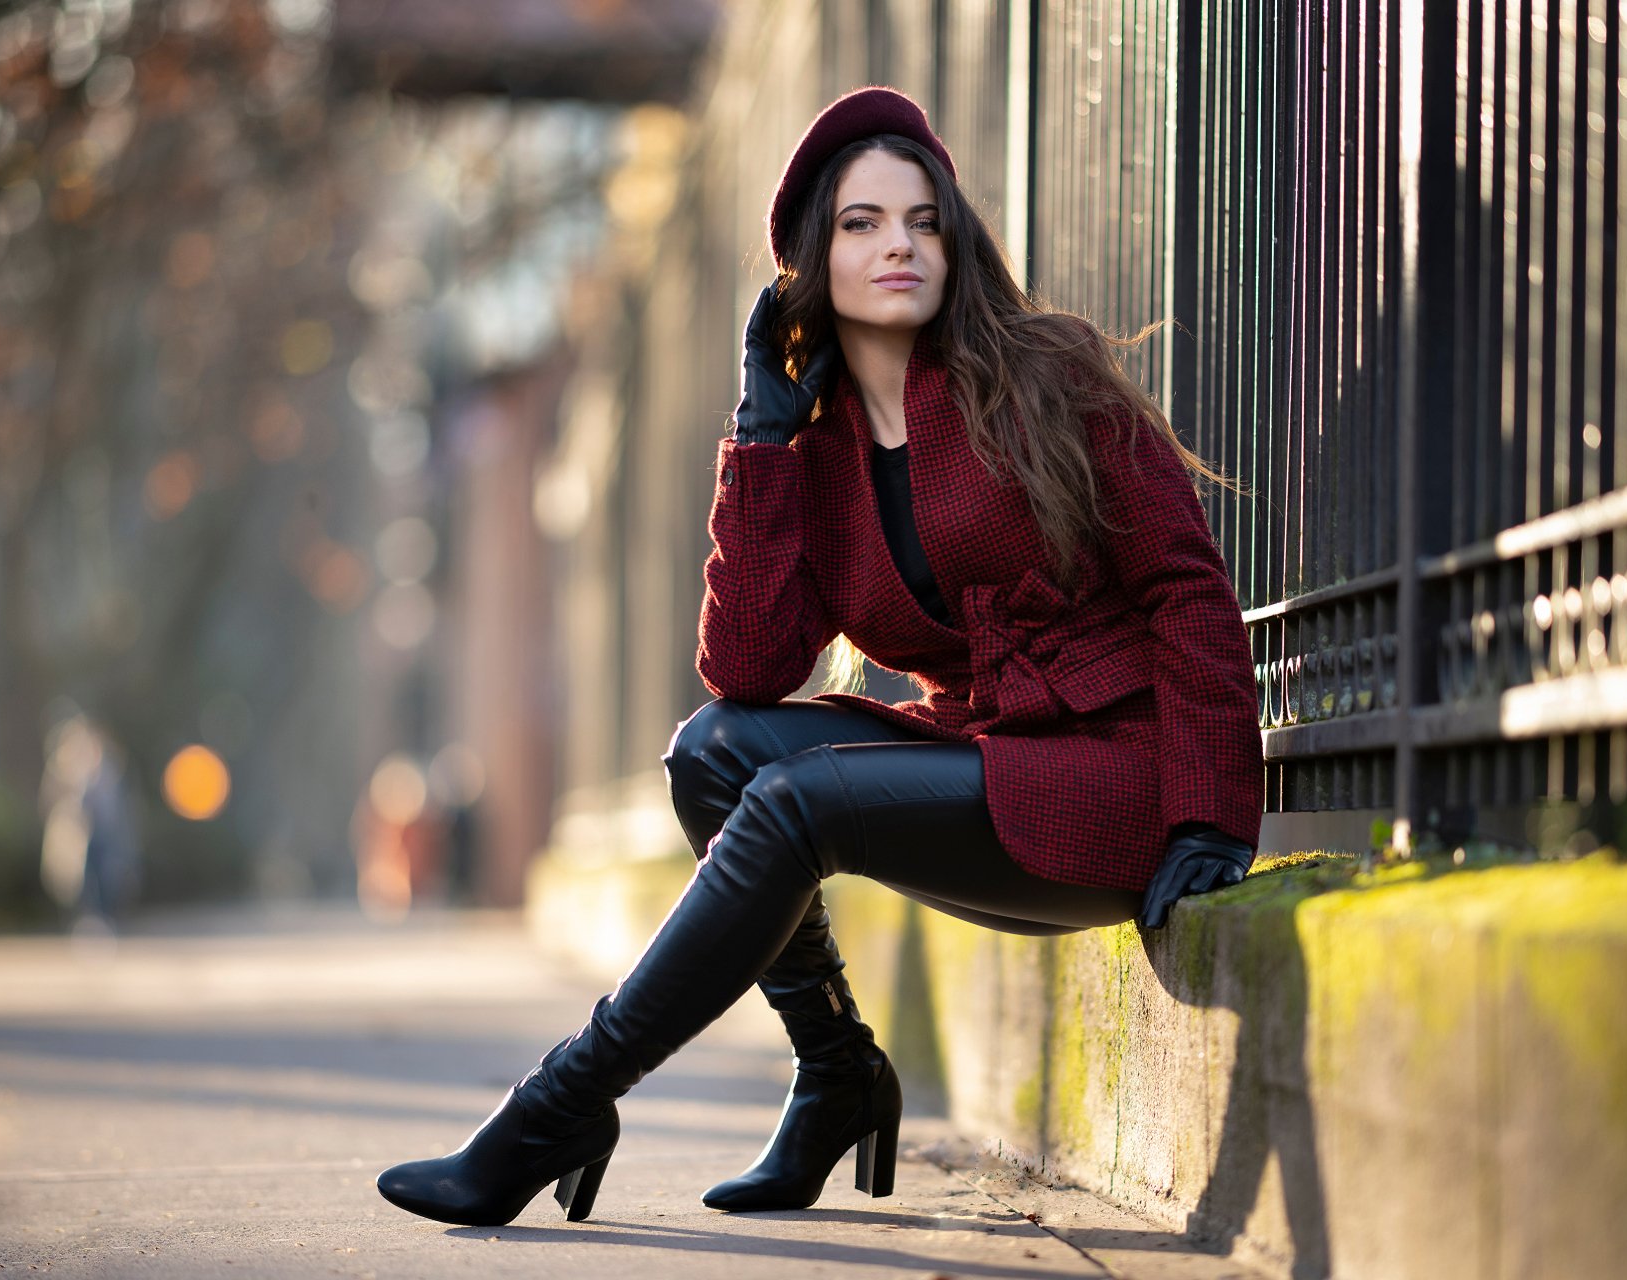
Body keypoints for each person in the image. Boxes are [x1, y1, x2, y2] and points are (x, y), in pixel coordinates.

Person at [376, 86, 1263, 1227]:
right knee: (713, 754)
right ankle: (837, 1067)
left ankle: (561, 1102)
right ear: (812, 259)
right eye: (861, 222)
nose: (899, 242)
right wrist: (759, 441)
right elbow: (745, 668)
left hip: (1115, 775)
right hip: (988, 756)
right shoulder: (821, 440)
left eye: (922, 218)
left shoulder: (1050, 375)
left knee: (799, 800)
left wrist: (1208, 815)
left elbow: (1186, 586)